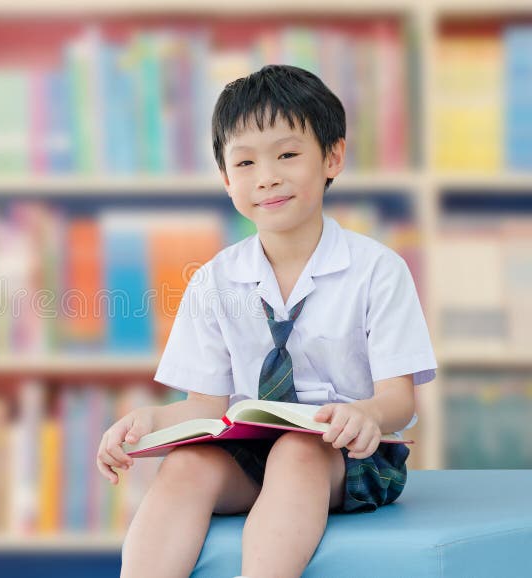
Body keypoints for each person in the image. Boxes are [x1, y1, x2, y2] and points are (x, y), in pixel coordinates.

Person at [96, 64, 437, 578]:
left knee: (298, 452)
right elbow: (204, 407)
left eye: (287, 154)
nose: (267, 176)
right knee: (187, 465)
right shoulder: (215, 279)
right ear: (226, 180)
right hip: (252, 452)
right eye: (246, 162)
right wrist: (146, 422)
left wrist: (365, 415)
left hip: (352, 457)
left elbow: (398, 399)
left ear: (333, 157)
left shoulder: (378, 270)